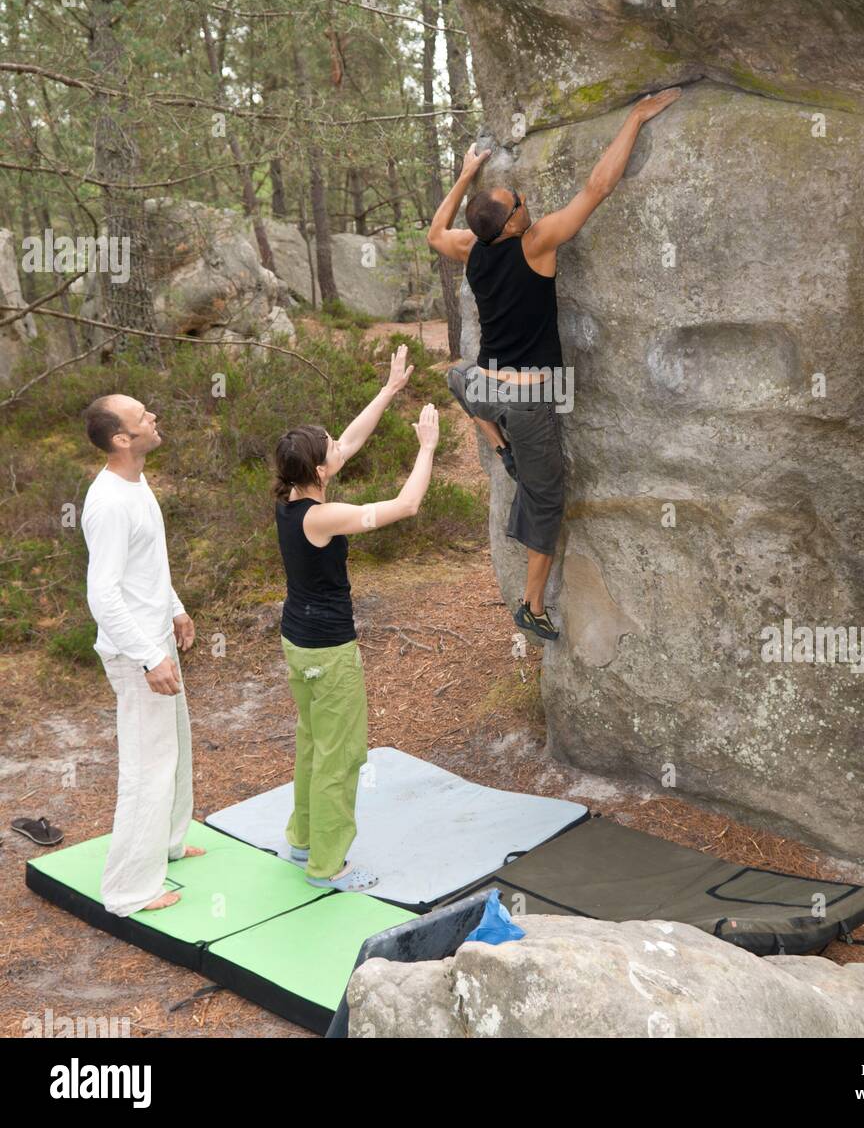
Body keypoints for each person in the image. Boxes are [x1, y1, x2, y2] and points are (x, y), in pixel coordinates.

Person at [428, 87, 682, 641]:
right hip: (526, 399)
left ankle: (499, 448)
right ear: (515, 223)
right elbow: (599, 186)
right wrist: (635, 117)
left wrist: (465, 174)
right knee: (546, 500)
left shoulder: (474, 247)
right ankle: (531, 604)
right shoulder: (537, 242)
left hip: (485, 389)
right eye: (518, 201)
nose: (524, 201)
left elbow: (433, 232)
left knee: (456, 376)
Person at [273, 345, 439, 892]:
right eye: (330, 450)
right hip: (328, 649)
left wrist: (389, 390)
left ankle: (301, 841)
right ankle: (329, 865)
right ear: (320, 470)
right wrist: (427, 448)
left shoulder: (291, 499)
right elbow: (406, 505)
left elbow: (350, 439)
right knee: (339, 757)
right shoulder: (326, 518)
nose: (339, 447)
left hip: (297, 642)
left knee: (310, 742)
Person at [81, 394, 199, 917]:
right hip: (137, 655)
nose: (155, 419)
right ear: (121, 440)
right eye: (143, 417)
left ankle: (169, 844)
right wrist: (149, 658)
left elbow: (147, 564)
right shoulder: (108, 502)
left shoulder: (138, 480)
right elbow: (102, 594)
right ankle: (130, 889)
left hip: (156, 638)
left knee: (177, 748)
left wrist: (174, 609)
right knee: (146, 767)